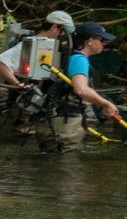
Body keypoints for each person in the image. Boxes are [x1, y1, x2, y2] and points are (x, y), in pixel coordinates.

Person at [36, 21, 118, 153]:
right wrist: (106, 104)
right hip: (63, 122)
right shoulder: (79, 59)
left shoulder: (67, 55)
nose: (104, 43)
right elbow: (81, 89)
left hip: (50, 118)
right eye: (101, 40)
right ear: (90, 41)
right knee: (67, 165)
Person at [0, 11, 73, 136]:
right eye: (63, 32)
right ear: (54, 27)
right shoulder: (30, 44)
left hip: (37, 105)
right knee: (23, 137)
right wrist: (18, 84)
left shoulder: (49, 46)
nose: (64, 36)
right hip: (27, 103)